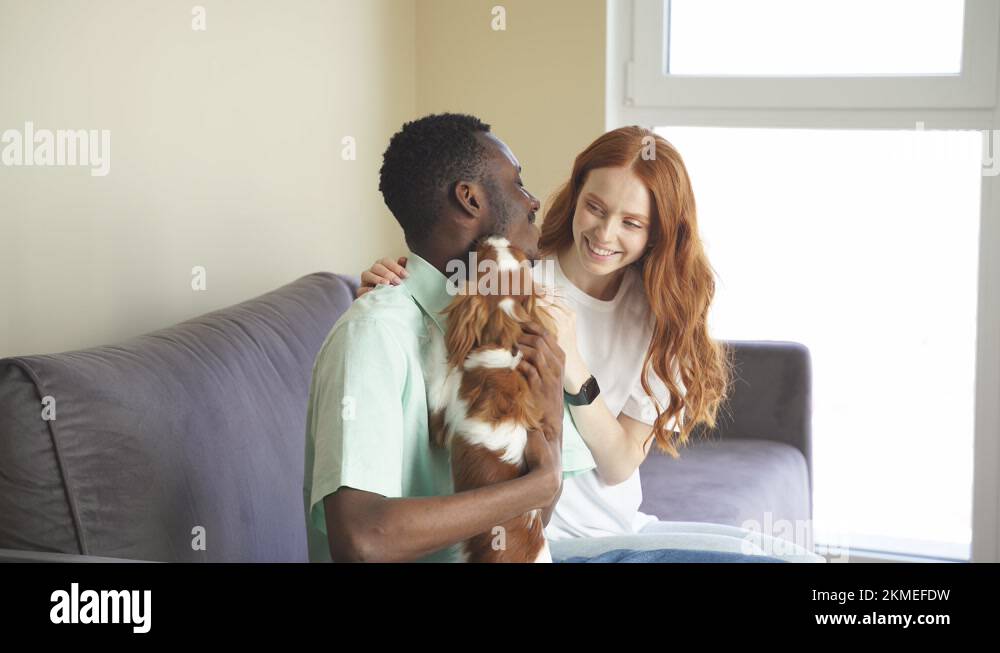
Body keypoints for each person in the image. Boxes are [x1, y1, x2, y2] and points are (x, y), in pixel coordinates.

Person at [357, 124, 824, 563]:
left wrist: (574, 365)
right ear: (576, 195)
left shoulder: (661, 314)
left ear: (659, 231)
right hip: (549, 543)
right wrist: (390, 282)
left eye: (631, 223)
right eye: (596, 208)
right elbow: (427, 313)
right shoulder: (514, 278)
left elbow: (620, 463)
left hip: (625, 528)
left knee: (797, 557)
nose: (604, 235)